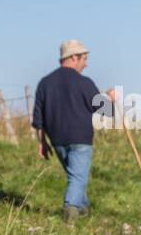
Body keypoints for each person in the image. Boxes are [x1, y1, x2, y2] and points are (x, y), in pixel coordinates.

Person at [32, 40, 117, 222]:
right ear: (73, 58)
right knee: (77, 178)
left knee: (76, 177)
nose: (86, 64)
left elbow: (38, 118)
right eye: (84, 59)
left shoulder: (45, 83)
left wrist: (42, 142)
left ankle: (85, 211)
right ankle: (70, 216)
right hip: (80, 139)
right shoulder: (84, 83)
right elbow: (106, 110)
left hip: (57, 140)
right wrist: (112, 99)